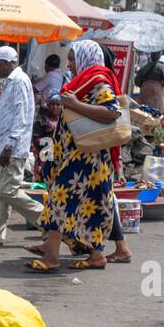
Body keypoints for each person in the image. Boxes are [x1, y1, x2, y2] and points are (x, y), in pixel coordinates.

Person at [27, 41, 119, 273]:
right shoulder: (85, 81)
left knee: (58, 199)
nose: (70, 64)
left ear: (86, 58)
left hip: (87, 158)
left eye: (72, 59)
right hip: (80, 156)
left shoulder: (98, 81)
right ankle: (96, 256)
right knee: (93, 204)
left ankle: (51, 257)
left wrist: (76, 104)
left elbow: (112, 111)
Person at [0, 46, 42, 246]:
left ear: (6, 63)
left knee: (9, 191)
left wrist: (9, 145)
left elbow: (21, 117)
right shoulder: (12, 81)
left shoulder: (19, 81)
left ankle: (47, 220)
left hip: (11, 147)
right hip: (3, 145)